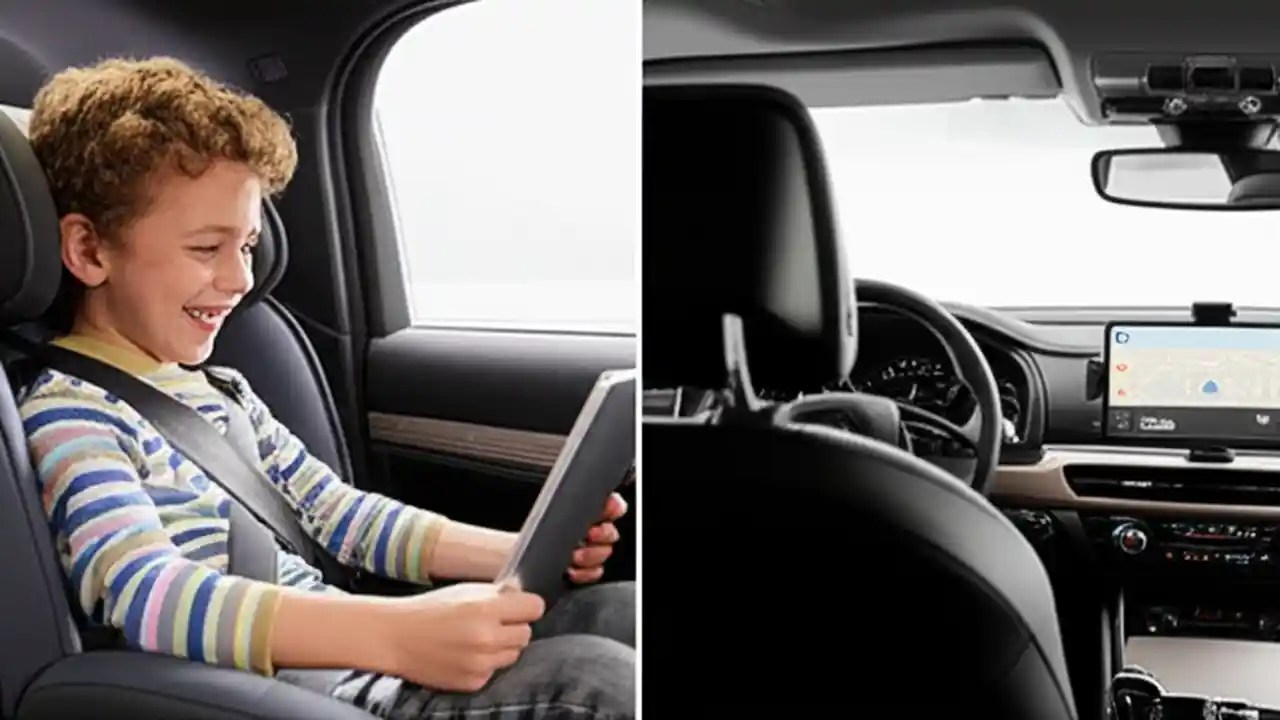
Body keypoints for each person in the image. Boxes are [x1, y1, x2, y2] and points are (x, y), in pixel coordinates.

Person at [16, 56, 635, 719]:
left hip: (363, 659)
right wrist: (397, 634)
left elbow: (341, 515)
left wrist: (515, 554)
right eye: (206, 249)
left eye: (248, 246)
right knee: (598, 682)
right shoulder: (71, 414)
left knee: (622, 611)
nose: (240, 279)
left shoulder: (222, 392)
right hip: (310, 689)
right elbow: (148, 594)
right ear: (88, 251)